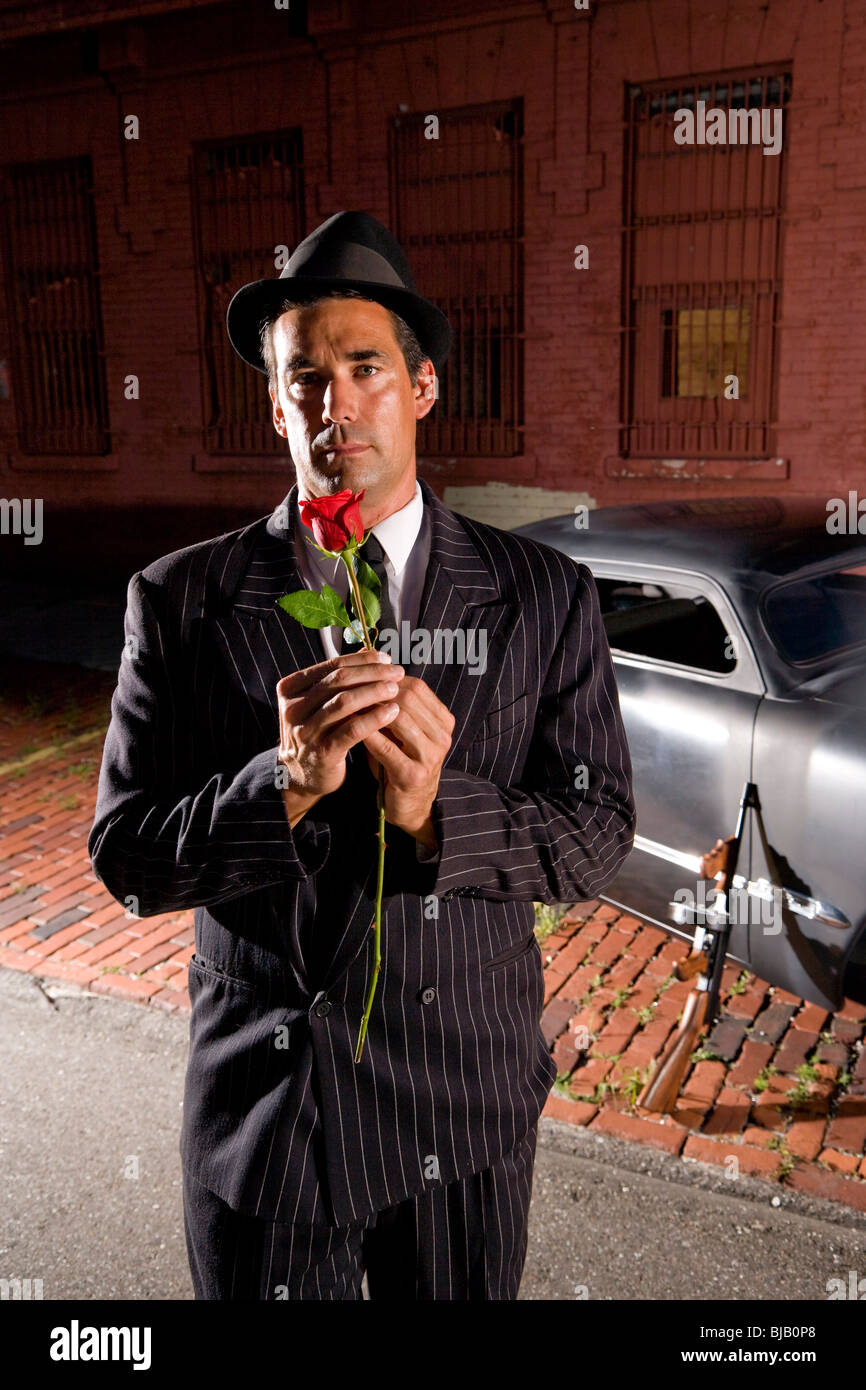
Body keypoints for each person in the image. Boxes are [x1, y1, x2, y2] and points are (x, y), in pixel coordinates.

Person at [88, 211, 635, 1301]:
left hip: (460, 1120)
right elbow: (126, 853)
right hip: (269, 1128)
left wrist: (440, 810)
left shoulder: (539, 596)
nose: (332, 404)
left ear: (421, 387)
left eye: (363, 368)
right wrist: (277, 787)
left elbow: (597, 833)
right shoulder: (181, 599)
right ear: (273, 400)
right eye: (303, 377)